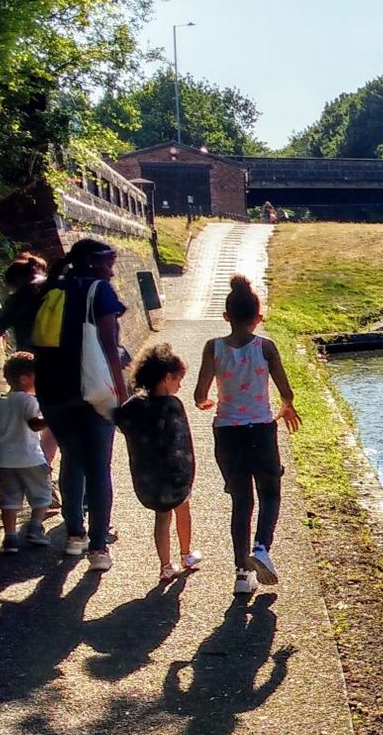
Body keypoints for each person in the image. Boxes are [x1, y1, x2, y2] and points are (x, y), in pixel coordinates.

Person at [193, 275, 299, 595]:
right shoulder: (266, 347)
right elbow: (286, 391)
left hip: (227, 432)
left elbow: (199, 394)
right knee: (270, 494)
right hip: (261, 430)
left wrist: (207, 402)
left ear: (226, 316)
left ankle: (242, 574)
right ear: (259, 317)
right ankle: (262, 547)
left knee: (241, 502)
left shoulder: (213, 348)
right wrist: (287, 408)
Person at [32, 238, 129, 571]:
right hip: (92, 390)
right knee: (98, 466)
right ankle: (99, 548)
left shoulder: (51, 288)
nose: (112, 269)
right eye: (109, 262)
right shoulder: (99, 291)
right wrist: (121, 391)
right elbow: (109, 345)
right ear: (92, 262)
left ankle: (75, 535)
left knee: (71, 459)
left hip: (52, 390)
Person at [116, 343, 201, 584]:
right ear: (166, 378)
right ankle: (186, 555)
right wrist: (187, 473)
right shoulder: (172, 406)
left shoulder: (134, 405)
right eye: (178, 380)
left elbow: (121, 423)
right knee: (183, 510)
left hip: (149, 479)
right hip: (174, 478)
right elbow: (182, 443)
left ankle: (165, 566)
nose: (179, 385)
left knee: (162, 518)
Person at [0, 252, 60, 476]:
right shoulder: (55, 290)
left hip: (29, 368)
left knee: (29, 418)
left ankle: (37, 470)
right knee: (52, 422)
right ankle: (44, 469)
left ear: (13, 282)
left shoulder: (19, 297)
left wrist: (4, 319)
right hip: (61, 363)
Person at [0, 352, 54, 552]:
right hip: (30, 459)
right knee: (42, 496)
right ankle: (34, 527)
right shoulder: (28, 401)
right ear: (24, 379)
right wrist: (53, 417)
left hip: (4, 461)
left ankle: (10, 537)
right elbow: (34, 425)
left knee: (9, 500)